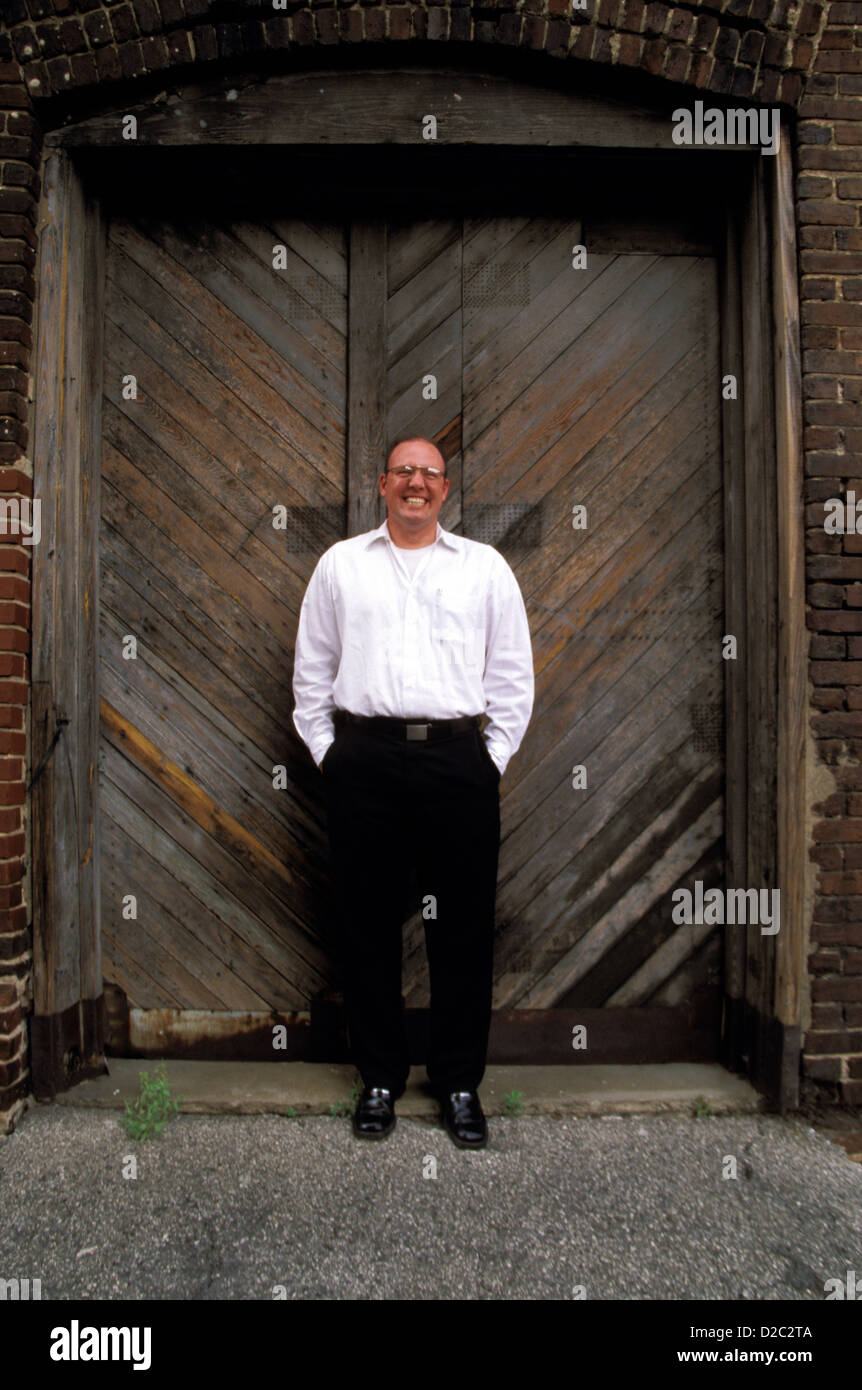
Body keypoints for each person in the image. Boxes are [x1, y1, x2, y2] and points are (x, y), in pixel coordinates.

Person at [292, 437, 534, 1148]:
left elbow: (512, 678)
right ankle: (378, 1080)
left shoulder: (483, 568)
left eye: (429, 473)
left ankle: (459, 1082)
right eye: (404, 472)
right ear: (383, 484)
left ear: (446, 488)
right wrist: (330, 756)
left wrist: (489, 761)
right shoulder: (341, 565)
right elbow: (312, 673)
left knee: (461, 928)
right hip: (363, 760)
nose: (416, 483)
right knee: (366, 925)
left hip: (457, 763)